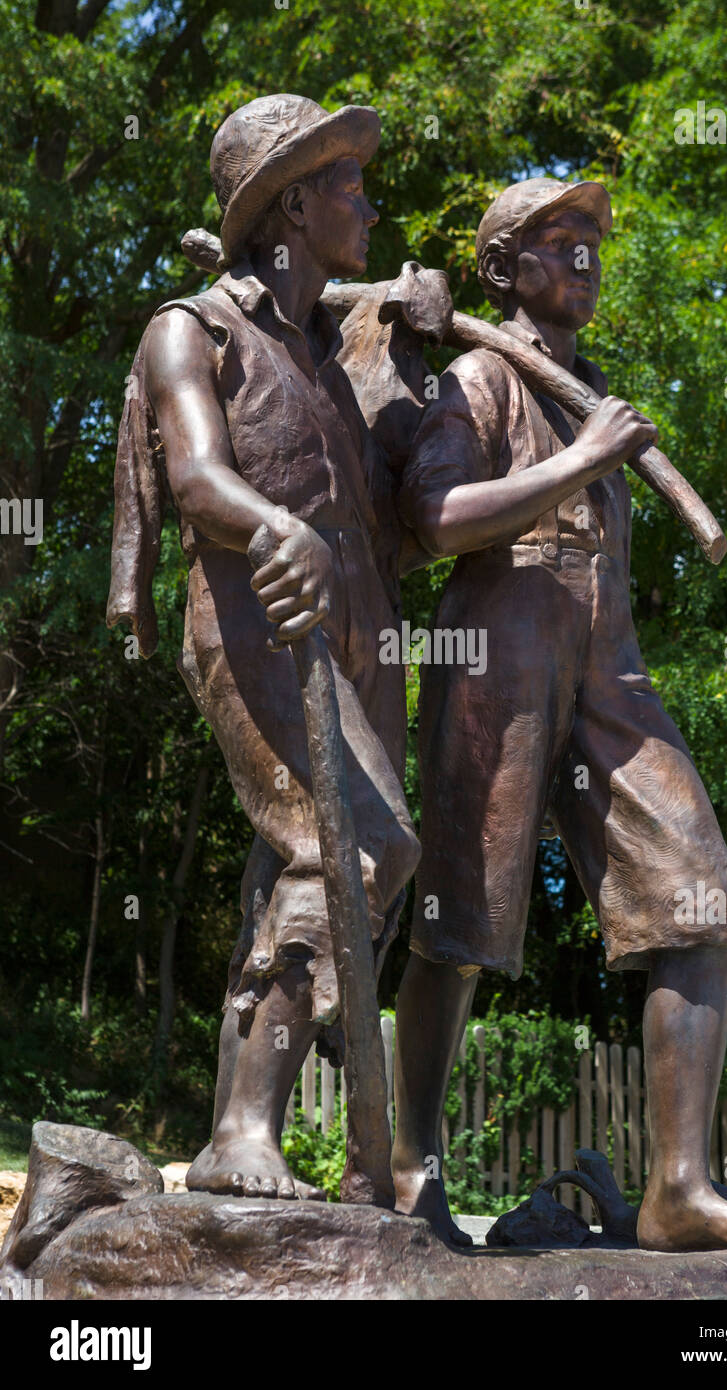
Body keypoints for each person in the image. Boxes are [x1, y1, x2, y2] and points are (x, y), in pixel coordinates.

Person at [390, 176, 727, 1259]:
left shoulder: (595, 390)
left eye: (590, 244)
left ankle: (676, 1186)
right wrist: (580, 459)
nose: (581, 259)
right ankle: (412, 1170)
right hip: (497, 643)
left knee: (700, 896)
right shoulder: (479, 376)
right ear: (499, 270)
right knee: (459, 919)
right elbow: (433, 521)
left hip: (606, 659)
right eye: (555, 241)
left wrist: (593, 440)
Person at [107, 94, 426, 1203]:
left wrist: (409, 337)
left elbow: (401, 493)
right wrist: (275, 525)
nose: (371, 206)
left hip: (354, 620)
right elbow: (196, 479)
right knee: (360, 848)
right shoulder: (189, 329)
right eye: (349, 187)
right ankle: (244, 1127)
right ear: (294, 204)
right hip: (251, 601)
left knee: (301, 865)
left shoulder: (329, 355)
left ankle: (247, 1130)